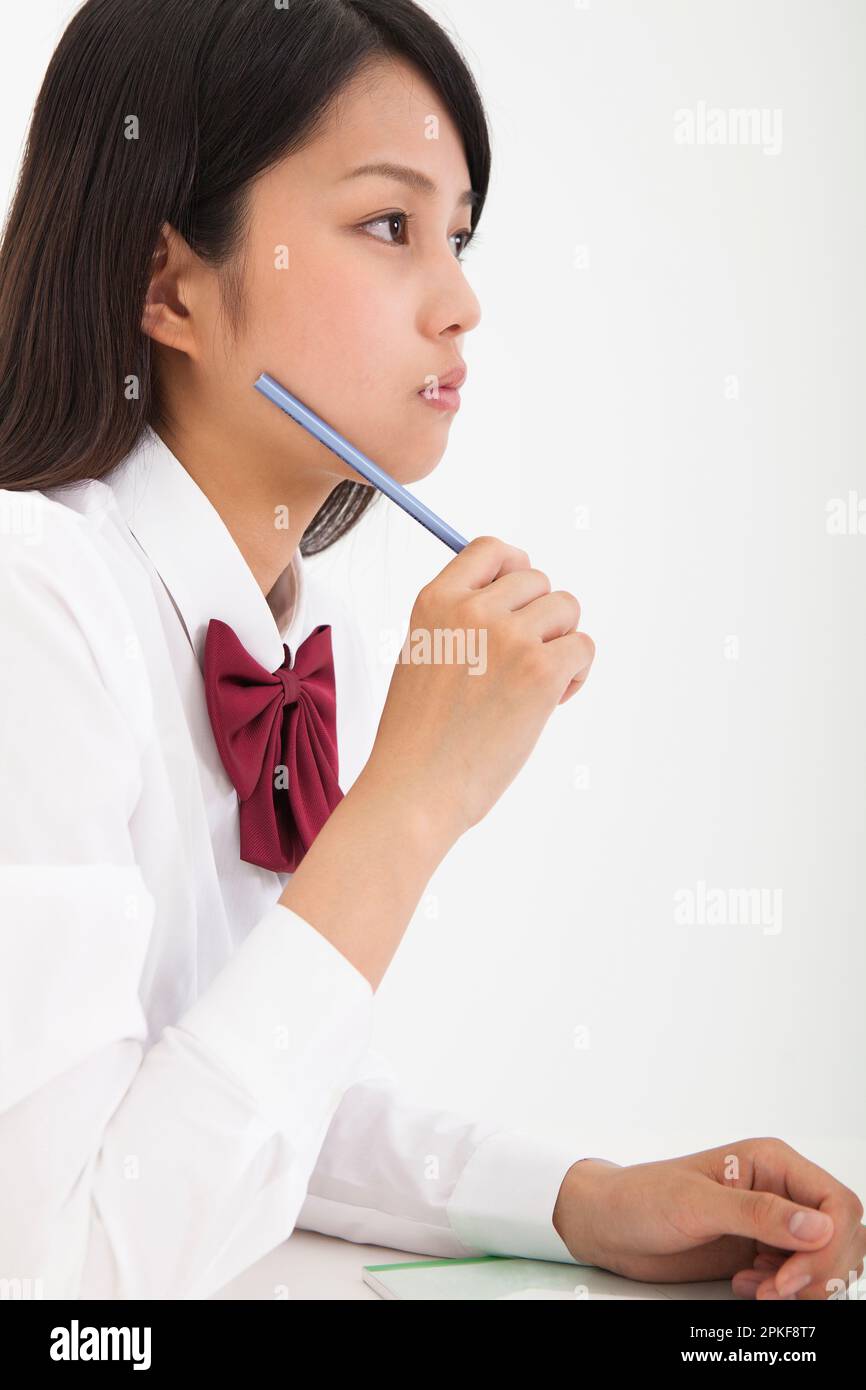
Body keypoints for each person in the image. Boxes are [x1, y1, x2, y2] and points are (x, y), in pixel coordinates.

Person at [0, 0, 862, 1302]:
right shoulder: (33, 601)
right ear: (169, 283)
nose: (459, 302)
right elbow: (65, 1265)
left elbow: (213, 1093)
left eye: (455, 235)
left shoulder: (267, 622)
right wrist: (407, 802)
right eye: (388, 225)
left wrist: (582, 1202)